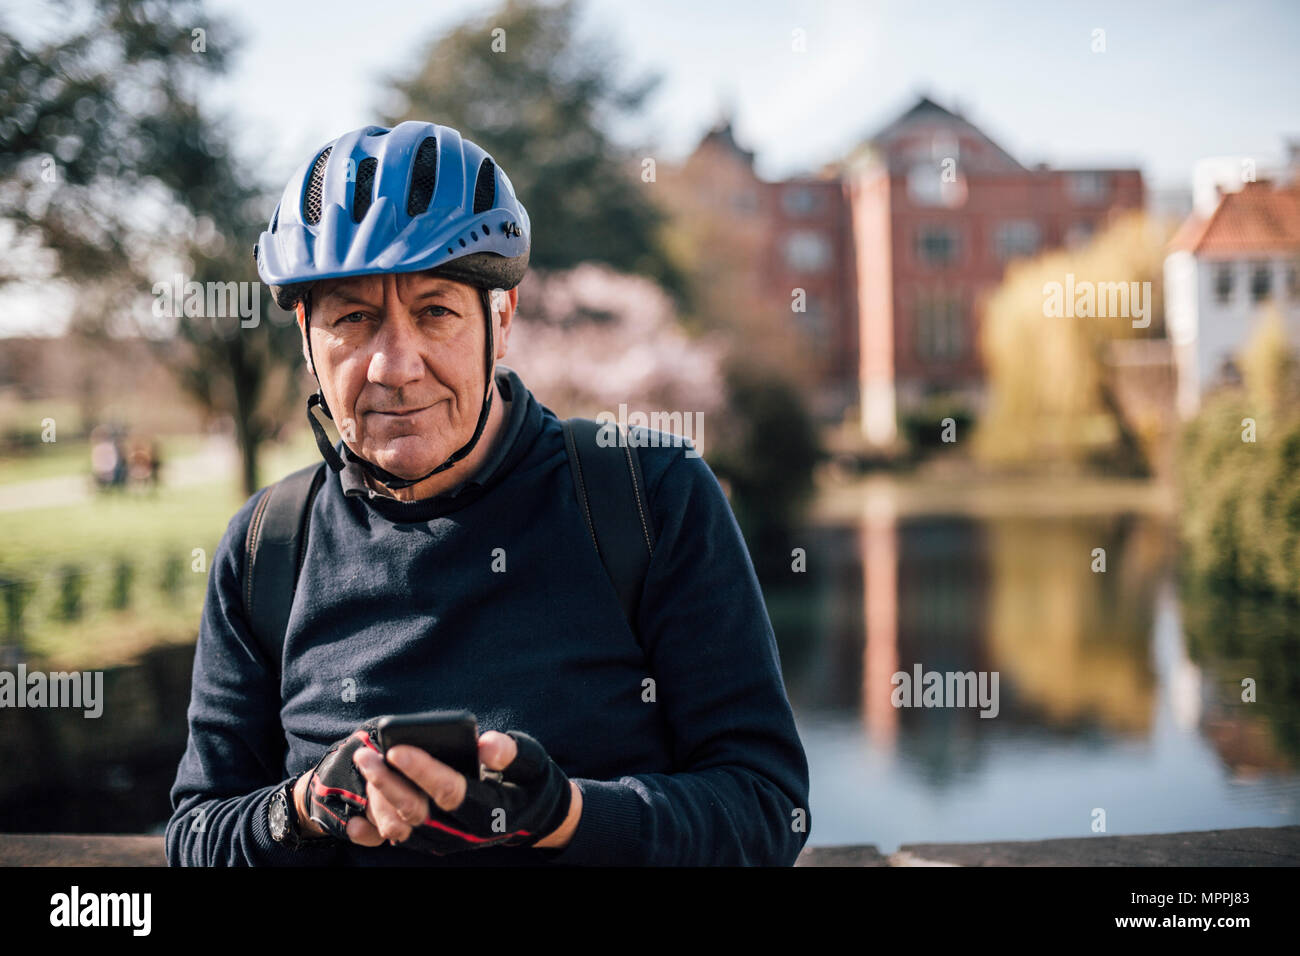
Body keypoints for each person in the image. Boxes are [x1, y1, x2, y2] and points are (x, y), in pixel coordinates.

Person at [165, 120, 810, 866]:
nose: (394, 366)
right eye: (354, 319)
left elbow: (767, 812)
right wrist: (304, 807)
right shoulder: (266, 547)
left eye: (435, 312)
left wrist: (567, 814)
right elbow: (195, 834)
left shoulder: (649, 498)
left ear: (500, 322)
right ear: (308, 337)